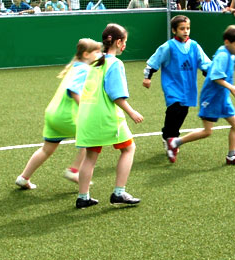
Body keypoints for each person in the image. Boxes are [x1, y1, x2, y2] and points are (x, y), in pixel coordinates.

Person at [15, 39, 102, 190]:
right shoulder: (84, 70)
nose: (100, 54)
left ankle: (23, 178)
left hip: (53, 114)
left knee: (46, 149)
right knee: (91, 139)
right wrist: (85, 109)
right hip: (67, 116)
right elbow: (74, 90)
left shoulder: (75, 67)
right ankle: (74, 171)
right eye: (97, 52)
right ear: (86, 54)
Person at [74, 24, 145, 209]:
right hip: (106, 116)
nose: (125, 45)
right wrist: (132, 112)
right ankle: (119, 193)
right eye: (125, 42)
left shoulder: (92, 61)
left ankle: (83, 197)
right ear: (119, 42)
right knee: (128, 148)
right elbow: (116, 94)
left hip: (87, 115)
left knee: (90, 156)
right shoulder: (115, 63)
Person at [164, 25, 235, 165]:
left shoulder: (231, 54)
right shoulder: (223, 55)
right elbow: (215, 76)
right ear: (227, 42)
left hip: (222, 97)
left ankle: (232, 155)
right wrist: (230, 86)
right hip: (211, 98)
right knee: (207, 131)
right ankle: (174, 142)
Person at [142, 15, 211, 162]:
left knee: (183, 112)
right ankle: (170, 138)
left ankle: (170, 137)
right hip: (172, 86)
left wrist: (210, 74)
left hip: (188, 87)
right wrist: (148, 77)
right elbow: (154, 61)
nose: (186, 31)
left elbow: (204, 62)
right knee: (174, 110)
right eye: (182, 28)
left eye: (188, 28)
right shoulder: (168, 47)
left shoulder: (194, 46)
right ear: (174, 30)